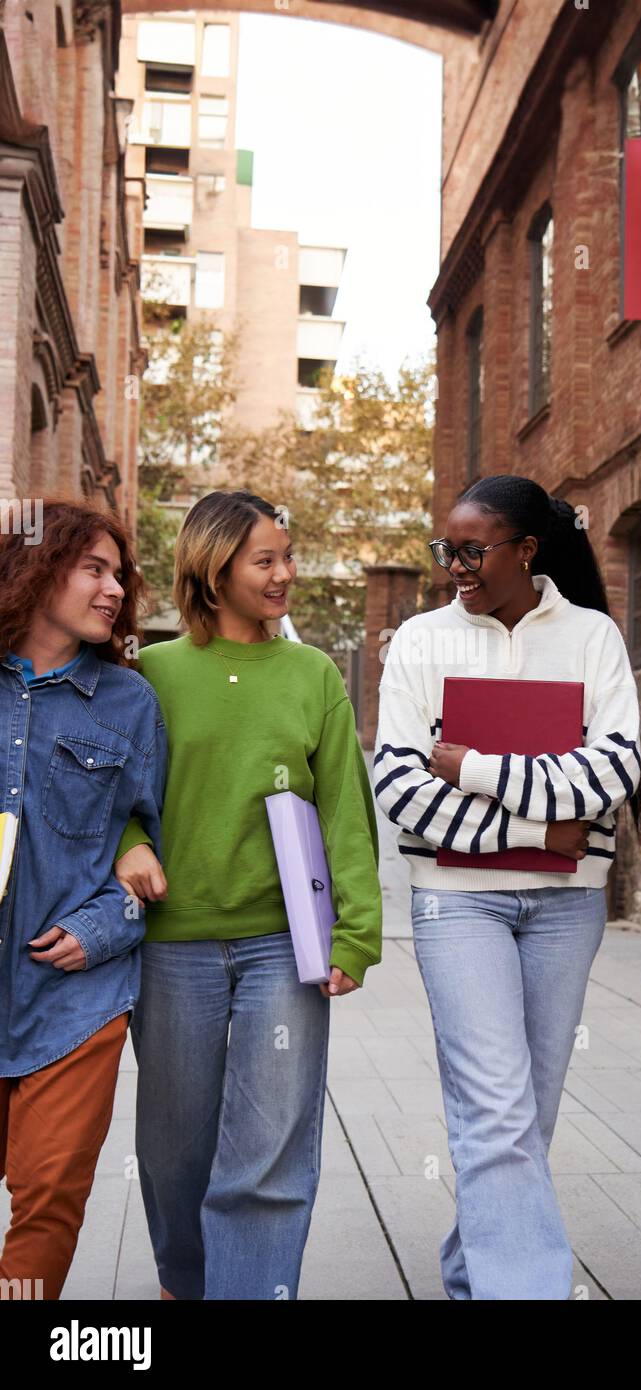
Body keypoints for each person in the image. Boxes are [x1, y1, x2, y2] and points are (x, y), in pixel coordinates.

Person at [373, 475, 641, 1300]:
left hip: (567, 906)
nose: (454, 564)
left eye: (471, 549)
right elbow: (401, 787)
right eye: (445, 548)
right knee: (497, 1107)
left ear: (526, 550)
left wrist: (480, 769)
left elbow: (615, 770)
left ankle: (472, 1271)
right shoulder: (420, 641)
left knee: (529, 1112)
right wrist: (538, 828)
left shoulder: (593, 637)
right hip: (456, 901)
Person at [113, 490, 382, 1301]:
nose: (285, 574)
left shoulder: (312, 674)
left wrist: (356, 936)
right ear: (213, 567)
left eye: (287, 557)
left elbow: (344, 811)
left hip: (284, 945)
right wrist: (130, 846)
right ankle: (182, 1285)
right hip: (172, 945)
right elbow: (113, 795)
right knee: (174, 1149)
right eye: (266, 560)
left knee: (268, 1150)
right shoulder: (151, 674)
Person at [0, 500, 166, 1299]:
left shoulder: (130, 704)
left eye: (118, 574)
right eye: (93, 569)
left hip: (74, 995)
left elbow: (157, 854)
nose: (113, 590)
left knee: (50, 1196)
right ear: (34, 568)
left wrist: (103, 926)